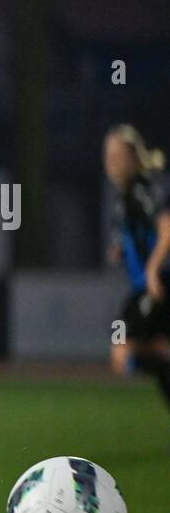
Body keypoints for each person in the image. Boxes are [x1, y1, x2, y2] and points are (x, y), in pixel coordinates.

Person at [103, 125, 170, 410]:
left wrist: (153, 270)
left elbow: (167, 227)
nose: (110, 161)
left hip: (156, 283)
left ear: (132, 156)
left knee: (122, 349)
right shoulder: (126, 194)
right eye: (107, 154)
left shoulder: (142, 189)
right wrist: (120, 248)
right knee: (144, 354)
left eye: (117, 154)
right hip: (145, 284)